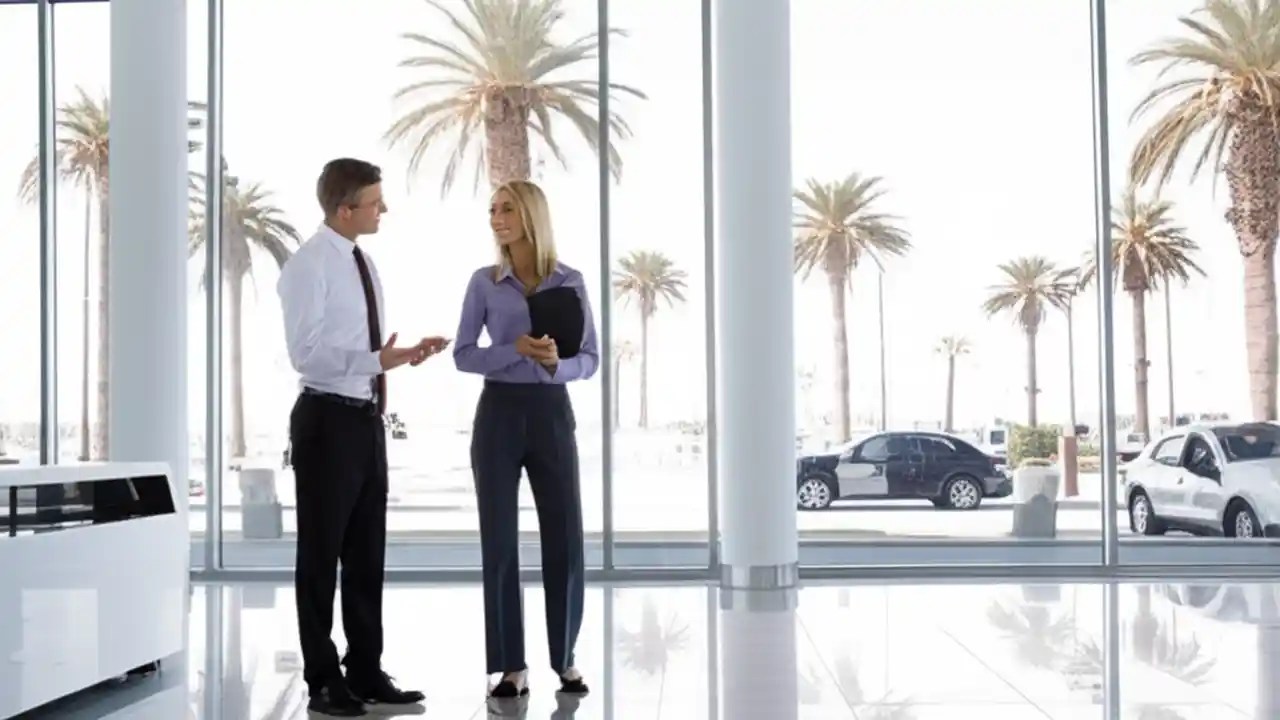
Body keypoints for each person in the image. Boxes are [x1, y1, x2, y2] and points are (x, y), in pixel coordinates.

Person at [278, 157, 447, 716]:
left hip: (365, 420)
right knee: (321, 554)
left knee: (366, 553)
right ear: (344, 208)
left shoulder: (364, 263)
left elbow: (362, 351)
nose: (384, 209)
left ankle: (366, 669)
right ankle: (323, 679)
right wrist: (377, 359)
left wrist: (392, 360)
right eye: (375, 202)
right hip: (326, 421)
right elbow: (306, 355)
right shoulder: (308, 267)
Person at [454, 179, 598, 698]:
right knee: (500, 541)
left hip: (551, 412)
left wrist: (557, 364)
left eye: (507, 208)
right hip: (497, 413)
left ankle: (565, 658)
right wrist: (514, 348)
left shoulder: (571, 281)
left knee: (565, 537)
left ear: (531, 214)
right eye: (492, 209)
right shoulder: (484, 282)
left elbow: (591, 360)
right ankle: (511, 665)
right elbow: (464, 354)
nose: (496, 217)